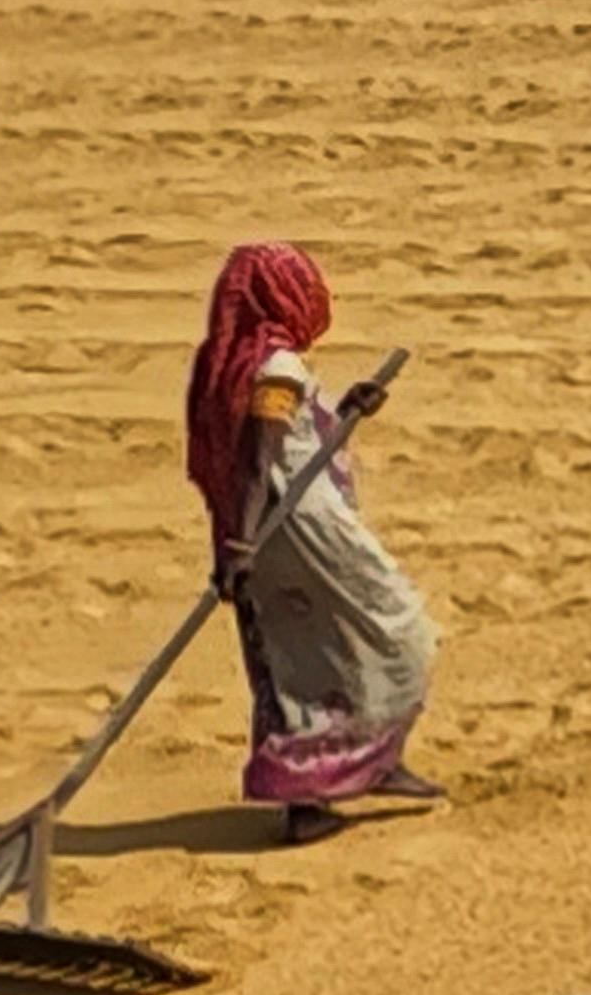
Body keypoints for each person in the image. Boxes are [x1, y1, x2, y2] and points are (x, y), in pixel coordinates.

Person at [184, 242, 442, 843]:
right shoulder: (274, 369)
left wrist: (348, 409)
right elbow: (262, 460)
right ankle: (333, 780)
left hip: (271, 533)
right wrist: (243, 546)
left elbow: (292, 438)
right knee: (397, 631)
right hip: (299, 529)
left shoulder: (232, 362)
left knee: (303, 654)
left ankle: (362, 770)